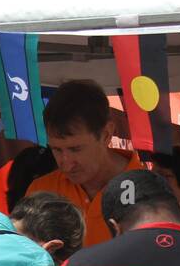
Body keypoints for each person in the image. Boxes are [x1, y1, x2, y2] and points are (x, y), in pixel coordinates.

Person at [27, 79, 143, 250]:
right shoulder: (41, 191)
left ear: (106, 134)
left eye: (75, 149)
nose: (66, 164)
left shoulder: (149, 193)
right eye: (57, 150)